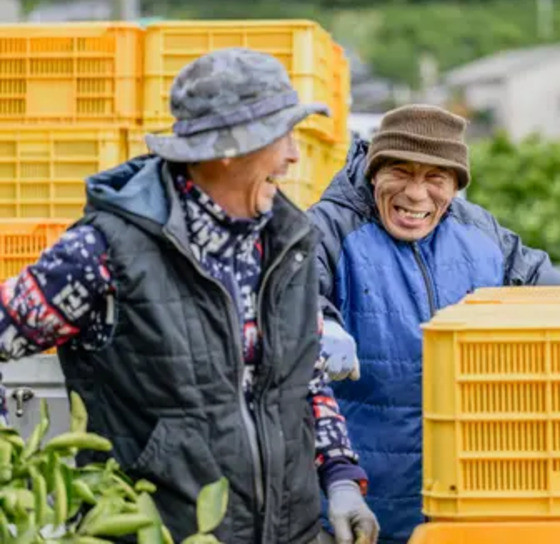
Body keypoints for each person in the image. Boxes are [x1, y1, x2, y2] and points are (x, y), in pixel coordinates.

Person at [0, 48, 378, 544]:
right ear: (229, 149)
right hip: (158, 532)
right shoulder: (105, 250)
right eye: (281, 137)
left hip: (290, 530)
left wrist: (341, 477)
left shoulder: (290, 245)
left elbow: (304, 377)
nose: (293, 155)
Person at [309, 104, 560, 543]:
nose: (415, 194)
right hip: (352, 503)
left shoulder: (480, 233)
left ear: (454, 185)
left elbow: (555, 293)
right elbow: (292, 293)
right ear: (374, 172)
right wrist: (322, 324)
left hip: (461, 506)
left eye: (435, 178)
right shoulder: (328, 228)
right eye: (401, 172)